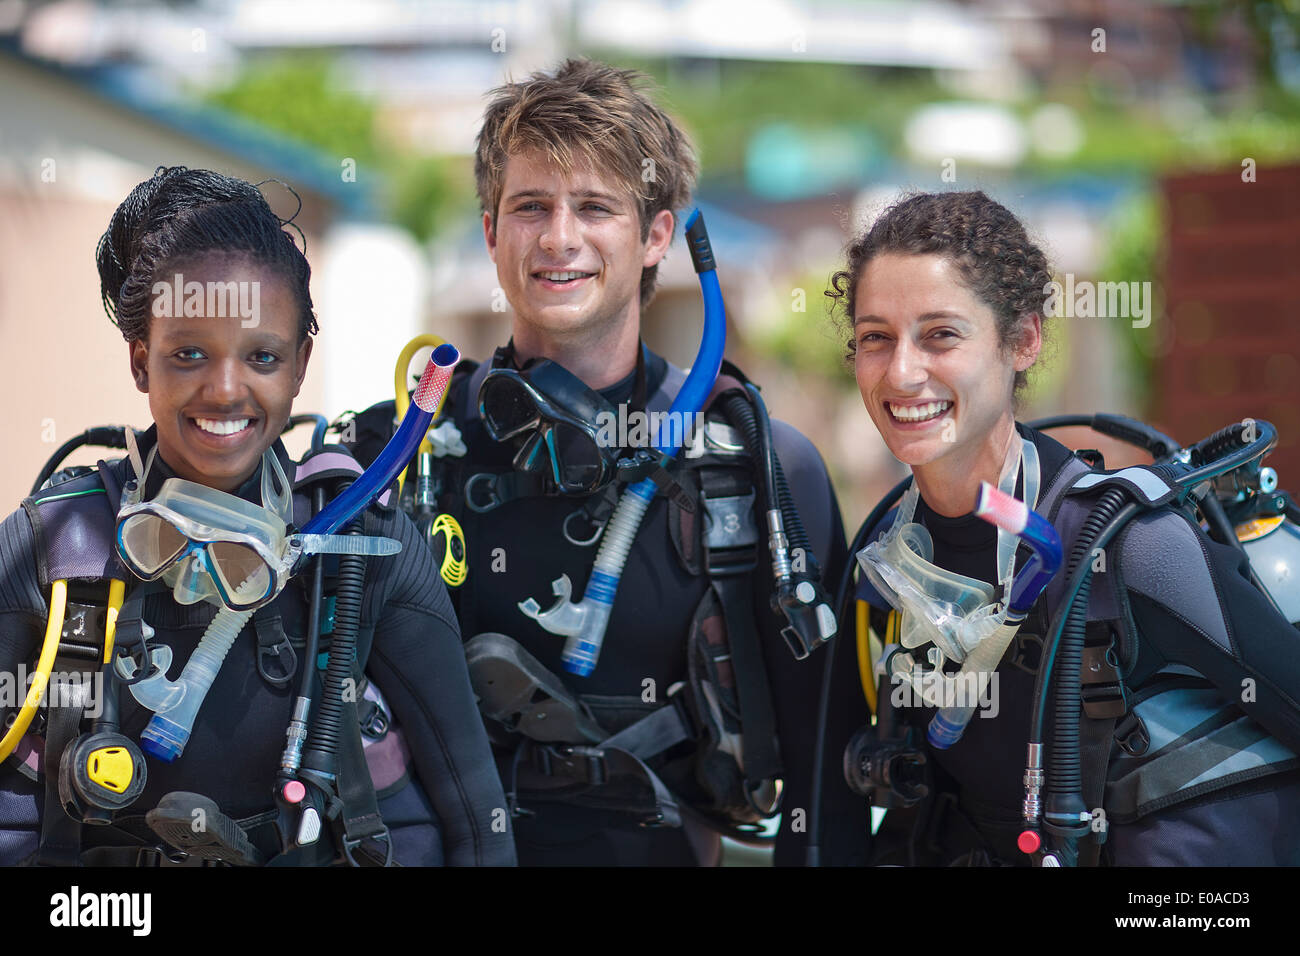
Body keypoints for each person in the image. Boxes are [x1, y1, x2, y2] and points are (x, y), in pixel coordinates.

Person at [349, 59, 869, 866]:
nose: (560, 238)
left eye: (595, 207)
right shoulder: (391, 453)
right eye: (530, 208)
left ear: (657, 233)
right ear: (490, 233)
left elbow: (824, 781)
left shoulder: (756, 471)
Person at [0, 166, 515, 866]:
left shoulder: (362, 541)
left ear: (300, 367)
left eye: (262, 356)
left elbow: (477, 817)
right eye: (188, 354)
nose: (224, 389)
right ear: (139, 360)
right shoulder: (55, 547)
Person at [827, 189, 1300, 866]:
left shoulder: (1130, 546)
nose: (902, 372)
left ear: (1022, 340)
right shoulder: (886, 565)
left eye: (941, 334)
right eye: (876, 337)